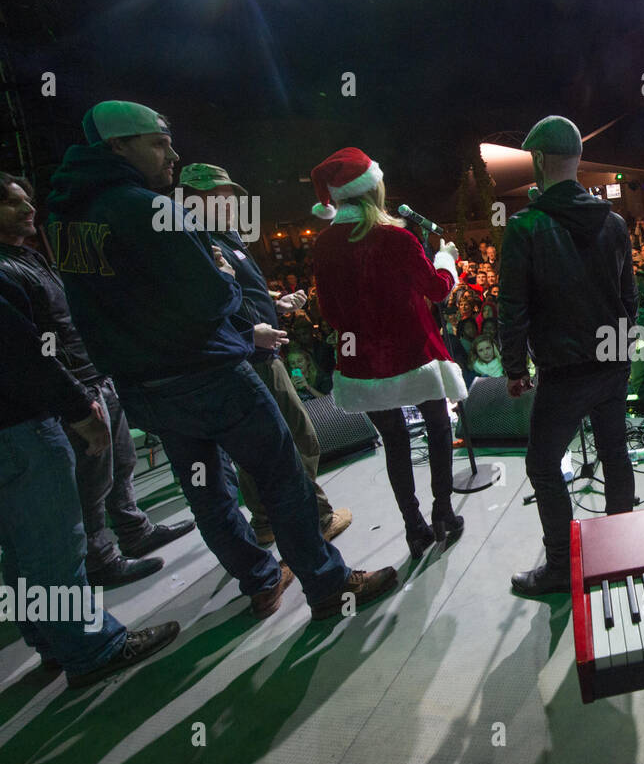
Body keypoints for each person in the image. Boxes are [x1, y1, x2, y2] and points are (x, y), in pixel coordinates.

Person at [48, 102, 395, 622]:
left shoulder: (65, 220)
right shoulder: (145, 207)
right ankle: (327, 584)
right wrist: (227, 288)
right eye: (159, 142)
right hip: (208, 372)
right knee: (282, 474)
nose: (173, 153)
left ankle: (259, 579)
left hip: (144, 384)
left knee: (207, 493)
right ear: (117, 146)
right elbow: (212, 297)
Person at [0, 172, 190, 588]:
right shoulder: (6, 269)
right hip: (75, 389)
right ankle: (101, 560)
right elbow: (30, 350)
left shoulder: (27, 256)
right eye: (13, 203)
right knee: (89, 482)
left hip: (94, 378)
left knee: (121, 462)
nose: (29, 208)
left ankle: (134, 531)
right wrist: (75, 399)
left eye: (27, 200)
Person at [0, 284, 181, 688]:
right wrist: (77, 406)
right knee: (54, 551)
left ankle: (50, 640)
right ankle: (92, 649)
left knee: (18, 551)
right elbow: (21, 347)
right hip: (17, 429)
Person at [497, 115, 636, 596]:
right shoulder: (614, 222)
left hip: (563, 371)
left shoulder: (525, 226)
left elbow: (512, 309)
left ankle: (561, 566)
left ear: (537, 160)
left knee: (542, 464)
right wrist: (620, 358)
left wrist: (516, 368)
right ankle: (621, 553)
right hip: (611, 364)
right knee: (615, 453)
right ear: (577, 161)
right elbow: (629, 301)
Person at [180, 163, 352, 548]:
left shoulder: (224, 236)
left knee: (260, 448)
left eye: (230, 196)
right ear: (192, 199)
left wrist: (276, 303)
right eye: (219, 197)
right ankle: (314, 518)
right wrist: (247, 332)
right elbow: (197, 308)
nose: (229, 203)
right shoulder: (194, 241)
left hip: (253, 353)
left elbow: (238, 292)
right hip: (249, 359)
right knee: (298, 439)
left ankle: (266, 521)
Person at [308, 147, 466, 560]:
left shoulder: (324, 246)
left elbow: (328, 311)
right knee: (438, 426)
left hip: (362, 361)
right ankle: (443, 512)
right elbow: (437, 289)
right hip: (414, 352)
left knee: (394, 441)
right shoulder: (396, 237)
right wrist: (446, 259)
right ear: (372, 188)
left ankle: (413, 527)